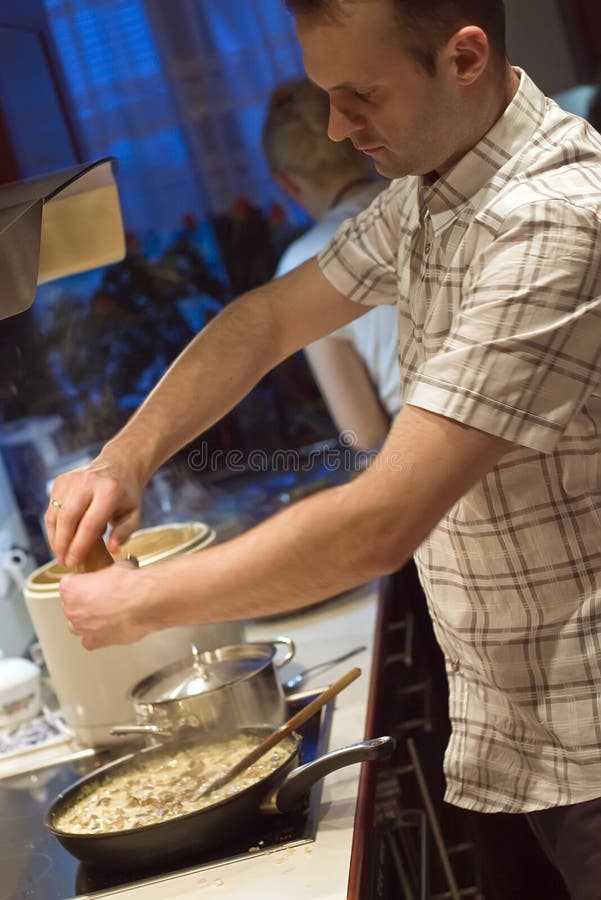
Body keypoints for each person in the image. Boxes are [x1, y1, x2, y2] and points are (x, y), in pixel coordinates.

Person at [46, 2, 601, 896]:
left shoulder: (552, 217)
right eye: (327, 96)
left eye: (361, 94)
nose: (339, 128)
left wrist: (143, 600)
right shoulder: (433, 191)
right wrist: (124, 457)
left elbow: (382, 522)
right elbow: (267, 317)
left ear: (464, 57)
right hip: (516, 729)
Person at [263, 77, 400, 451]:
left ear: (288, 184)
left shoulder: (304, 263)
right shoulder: (423, 194)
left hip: (427, 449)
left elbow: (364, 433)